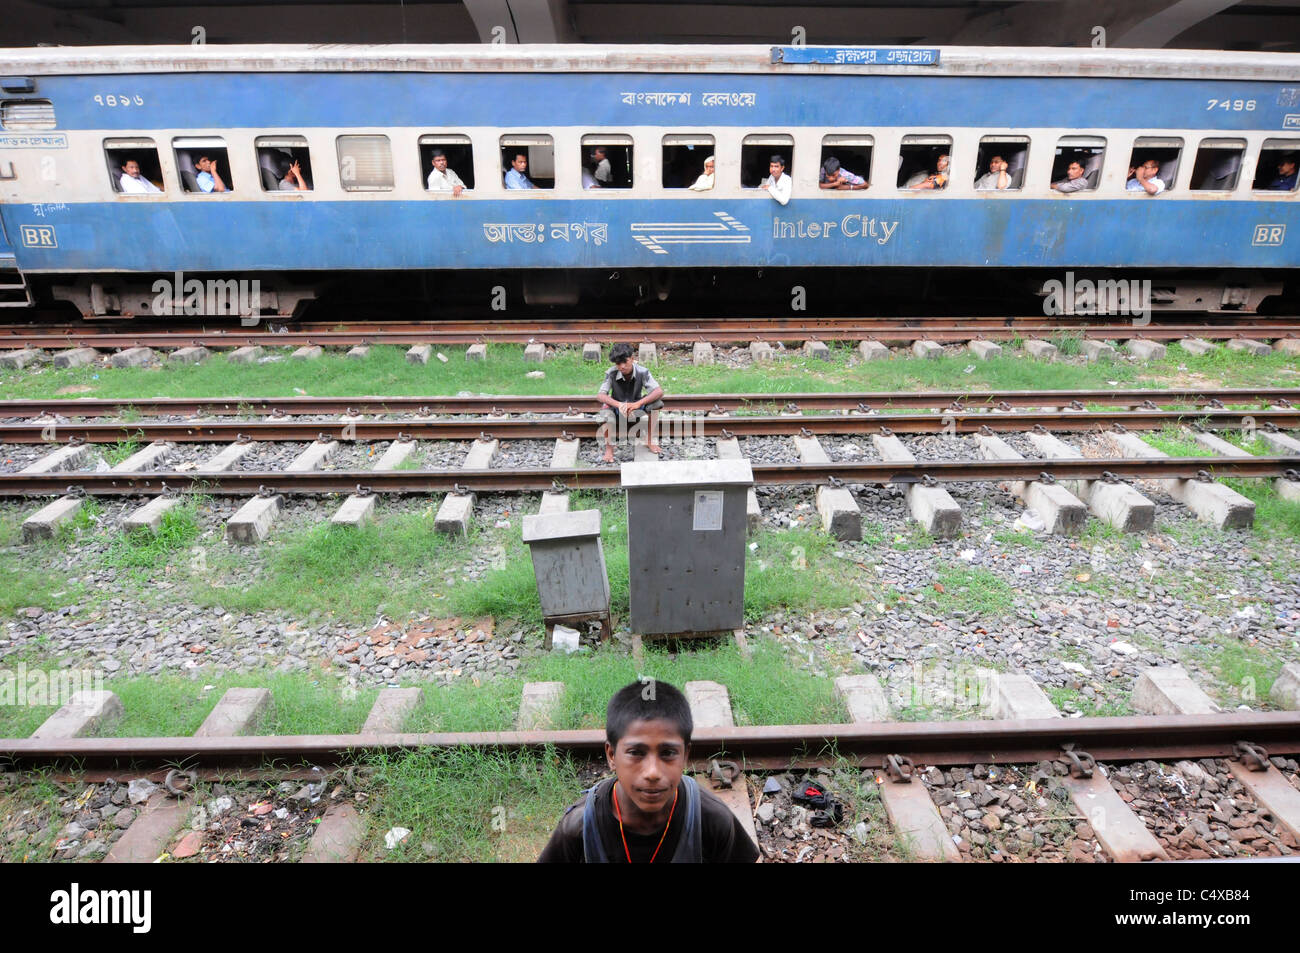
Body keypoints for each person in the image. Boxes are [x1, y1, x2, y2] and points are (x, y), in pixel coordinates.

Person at [537, 680, 761, 863]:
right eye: (636, 752)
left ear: (685, 755)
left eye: (667, 753)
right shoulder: (579, 826)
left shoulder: (711, 820)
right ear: (612, 755)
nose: (652, 772)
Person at [597, 342, 664, 462]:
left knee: (657, 403)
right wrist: (618, 405)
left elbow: (658, 391)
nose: (622, 366)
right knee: (605, 413)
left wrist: (638, 404)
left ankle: (648, 440)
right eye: (618, 363)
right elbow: (601, 395)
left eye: (625, 362)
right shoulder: (611, 373)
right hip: (618, 408)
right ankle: (609, 449)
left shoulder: (643, 372)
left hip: (637, 407)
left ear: (632, 359)